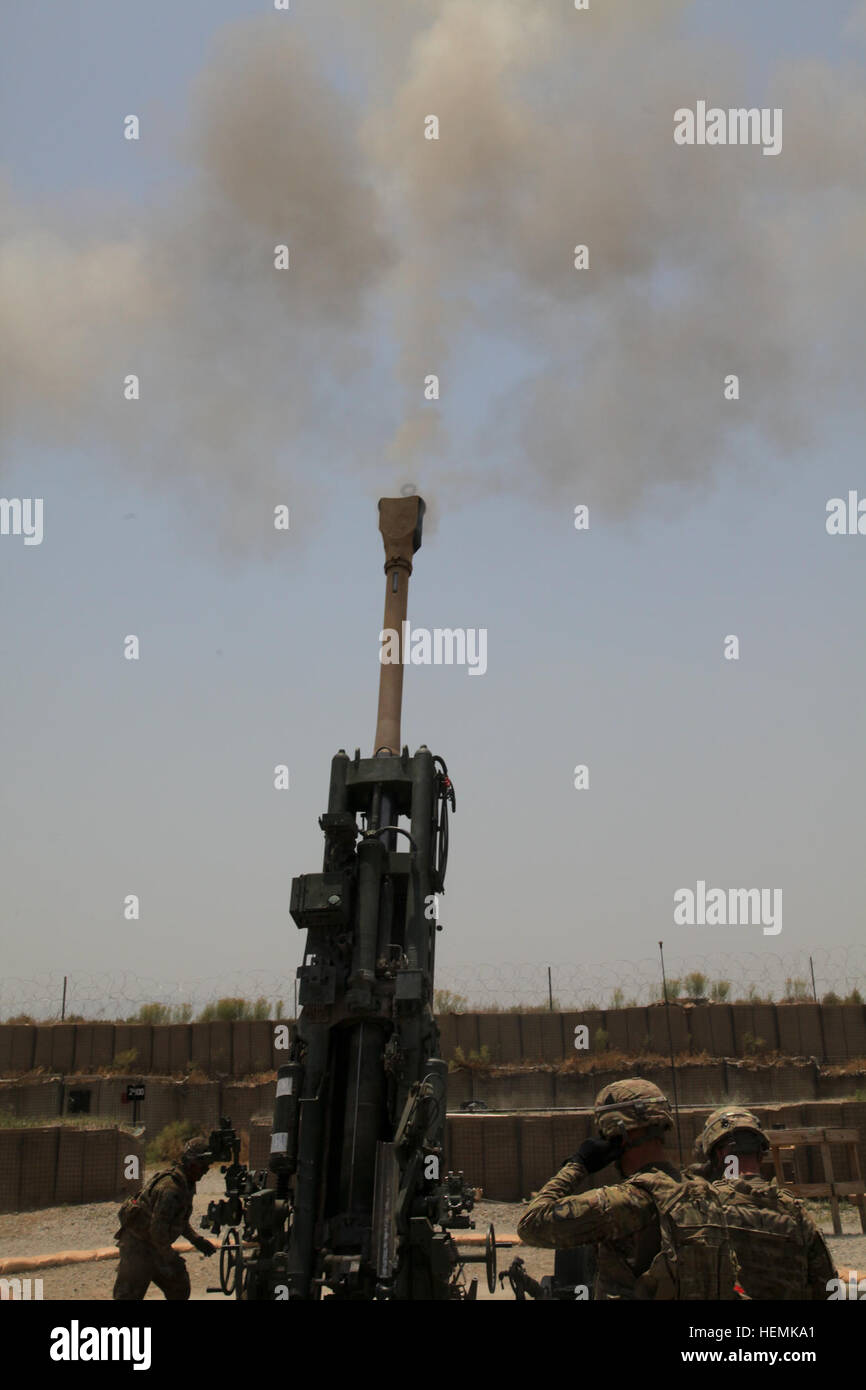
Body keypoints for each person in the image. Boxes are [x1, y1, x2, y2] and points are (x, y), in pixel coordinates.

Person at [517, 1078, 740, 1299]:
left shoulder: (625, 1202)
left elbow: (531, 1224)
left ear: (618, 1137)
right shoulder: (706, 1194)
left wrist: (578, 1165)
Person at [692, 1106, 835, 1300]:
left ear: (718, 1155)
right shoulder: (796, 1213)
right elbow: (827, 1288)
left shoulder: (704, 1209)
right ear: (761, 1154)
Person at [113, 1136, 217, 1300]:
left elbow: (178, 1220)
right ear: (191, 1163)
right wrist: (170, 1257)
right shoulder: (171, 1189)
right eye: (203, 1164)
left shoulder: (186, 1184)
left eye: (208, 1164)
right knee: (128, 1296)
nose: (206, 1169)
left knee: (179, 1286)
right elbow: (158, 1231)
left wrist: (197, 1240)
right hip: (138, 1247)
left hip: (156, 1246)